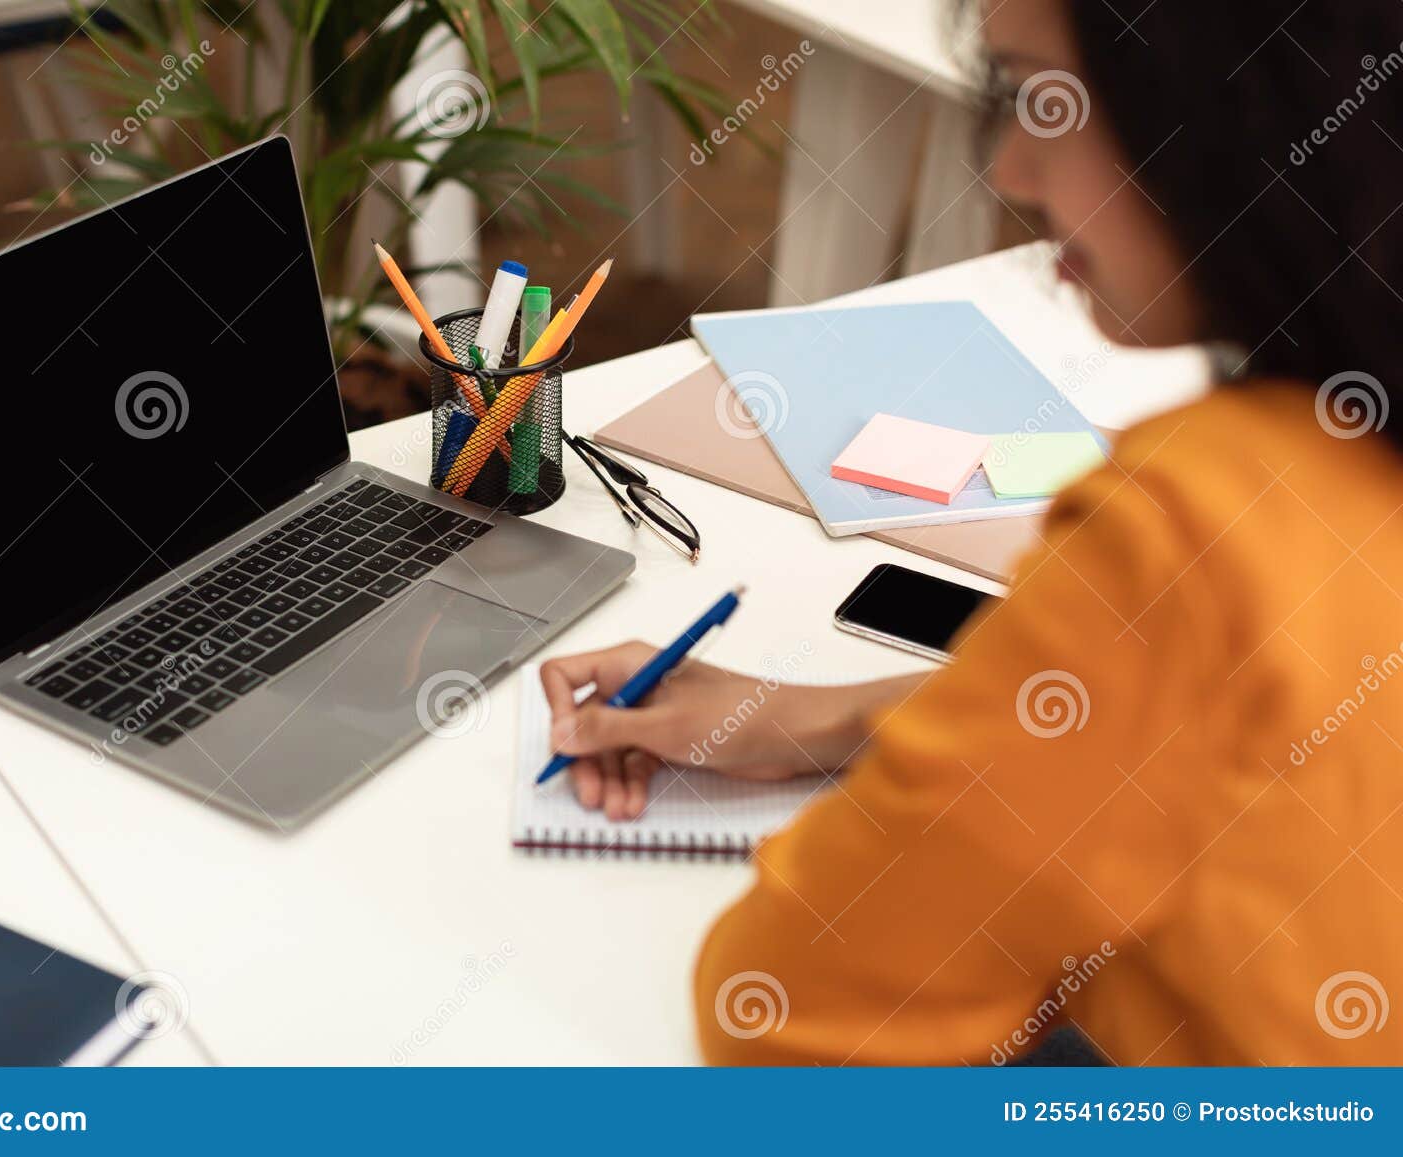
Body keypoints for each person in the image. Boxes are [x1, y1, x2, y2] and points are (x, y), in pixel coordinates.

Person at [539, 0, 1403, 1065]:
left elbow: (778, 1007)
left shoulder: (1193, 520)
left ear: (1244, 101)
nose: (1010, 170)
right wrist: (838, 714)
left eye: (1050, 96)